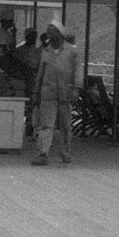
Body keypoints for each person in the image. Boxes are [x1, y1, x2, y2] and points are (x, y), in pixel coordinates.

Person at [30, 19, 79, 165]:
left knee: (65, 126)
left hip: (66, 93)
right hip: (48, 93)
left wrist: (76, 89)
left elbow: (77, 72)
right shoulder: (46, 52)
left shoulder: (72, 51)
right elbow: (40, 74)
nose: (50, 36)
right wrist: (36, 92)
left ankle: (65, 152)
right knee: (46, 125)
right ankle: (43, 153)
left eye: (52, 33)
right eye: (48, 33)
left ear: (60, 34)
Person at [13, 28, 42, 138]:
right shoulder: (19, 50)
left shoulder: (37, 51)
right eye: (31, 36)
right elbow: (16, 64)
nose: (33, 39)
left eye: (34, 37)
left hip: (33, 80)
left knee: (33, 104)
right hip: (22, 79)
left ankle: (31, 126)